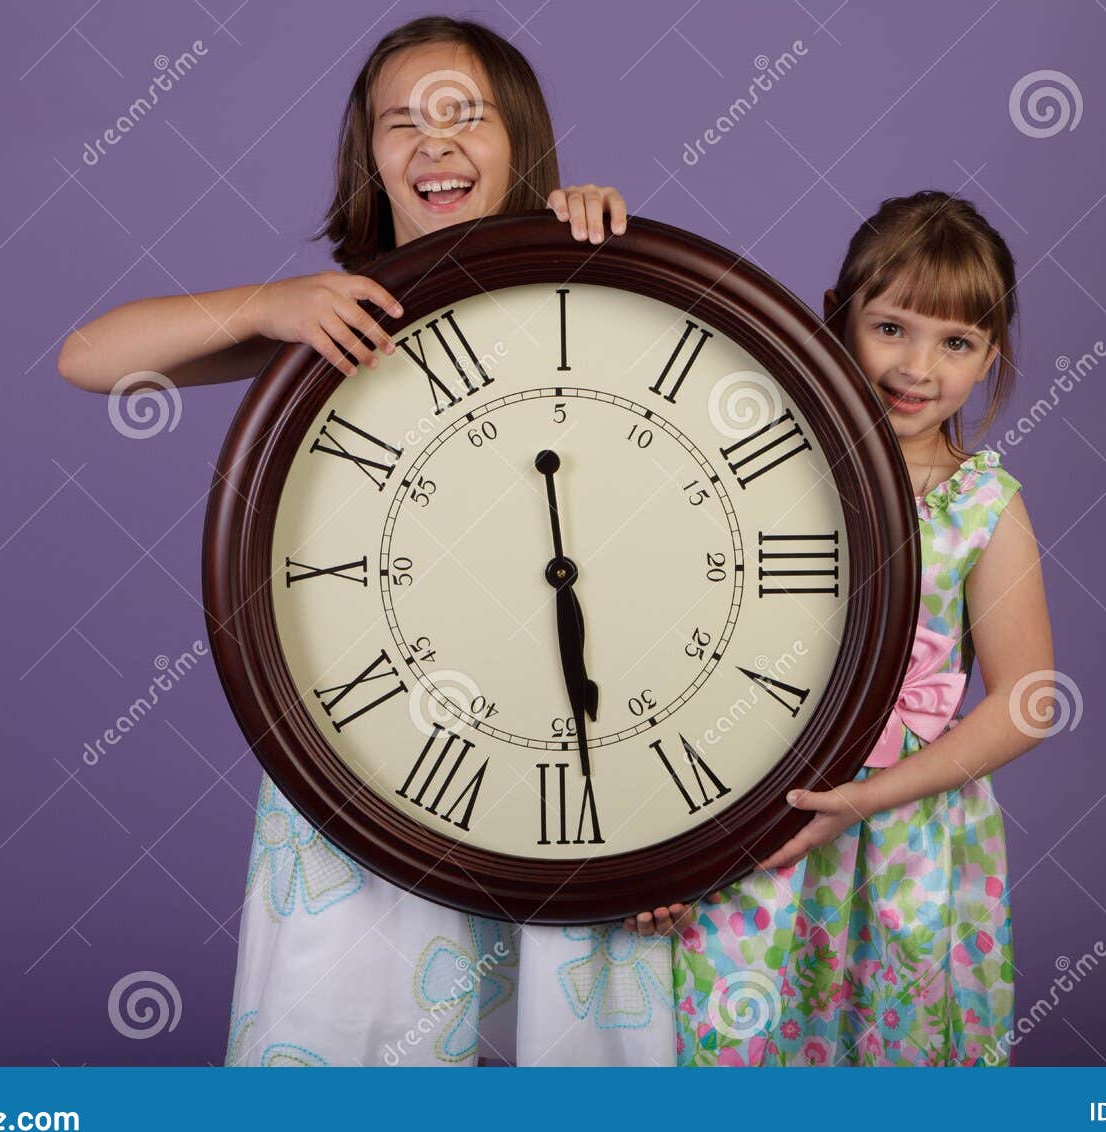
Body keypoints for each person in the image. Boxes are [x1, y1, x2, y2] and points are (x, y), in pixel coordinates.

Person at [59, 15, 670, 1067]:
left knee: (567, 1022)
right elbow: (90, 356)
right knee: (366, 1028)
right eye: (401, 123)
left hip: (569, 728)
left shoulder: (582, 281)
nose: (432, 143)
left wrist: (602, 241)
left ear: (520, 140)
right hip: (372, 740)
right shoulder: (342, 318)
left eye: (464, 115)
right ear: (369, 158)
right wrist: (274, 301)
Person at [641, 190, 1056, 1067]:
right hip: (760, 822)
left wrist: (867, 797)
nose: (918, 366)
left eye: (956, 342)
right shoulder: (756, 476)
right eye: (893, 327)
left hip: (906, 841)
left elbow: (1026, 701)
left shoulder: (981, 504)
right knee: (734, 1045)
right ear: (836, 317)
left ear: (991, 356)